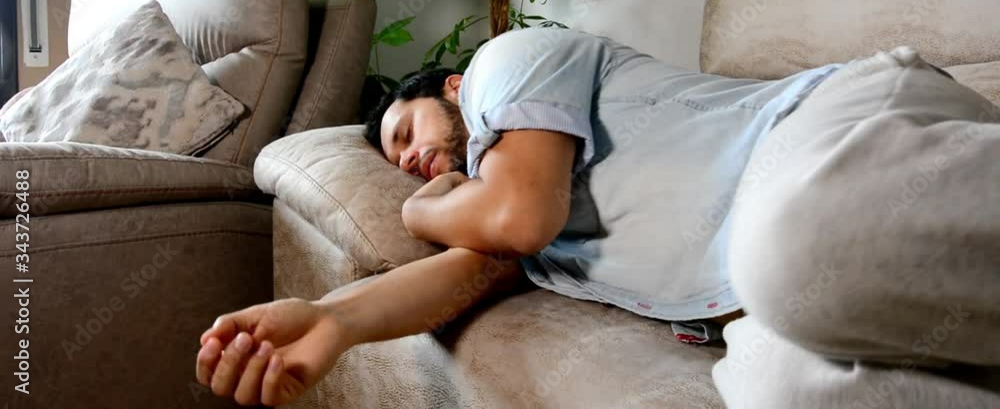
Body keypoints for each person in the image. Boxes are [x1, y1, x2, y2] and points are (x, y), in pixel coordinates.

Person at [195, 28, 1000, 408]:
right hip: (762, 291)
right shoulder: (509, 205)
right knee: (779, 389)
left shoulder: (506, 63)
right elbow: (470, 266)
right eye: (396, 159)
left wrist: (422, 203)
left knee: (788, 254)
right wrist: (332, 320)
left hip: (823, 129)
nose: (406, 159)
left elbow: (517, 216)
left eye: (405, 132)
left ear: (450, 88)